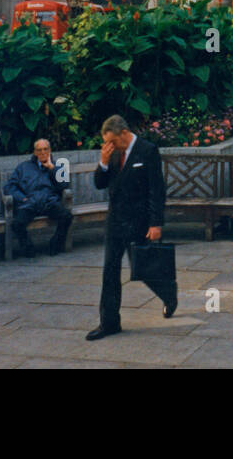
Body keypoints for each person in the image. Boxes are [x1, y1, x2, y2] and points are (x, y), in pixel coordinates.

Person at [87, 115, 170, 340]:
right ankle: (109, 323)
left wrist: (156, 223)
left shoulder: (147, 150)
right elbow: (99, 183)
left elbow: (156, 190)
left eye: (114, 141)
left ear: (124, 133)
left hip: (139, 222)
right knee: (110, 272)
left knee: (144, 270)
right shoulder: (111, 152)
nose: (111, 146)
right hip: (115, 222)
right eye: (108, 143)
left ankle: (169, 296)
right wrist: (103, 163)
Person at [4, 139, 71, 257]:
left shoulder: (58, 166)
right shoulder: (23, 167)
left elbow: (64, 185)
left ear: (50, 151)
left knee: (67, 217)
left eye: (45, 149)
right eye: (39, 150)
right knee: (17, 223)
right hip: (30, 203)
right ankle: (28, 249)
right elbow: (9, 187)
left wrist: (51, 168)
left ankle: (54, 245)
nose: (43, 153)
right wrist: (22, 198)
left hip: (49, 202)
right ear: (35, 152)